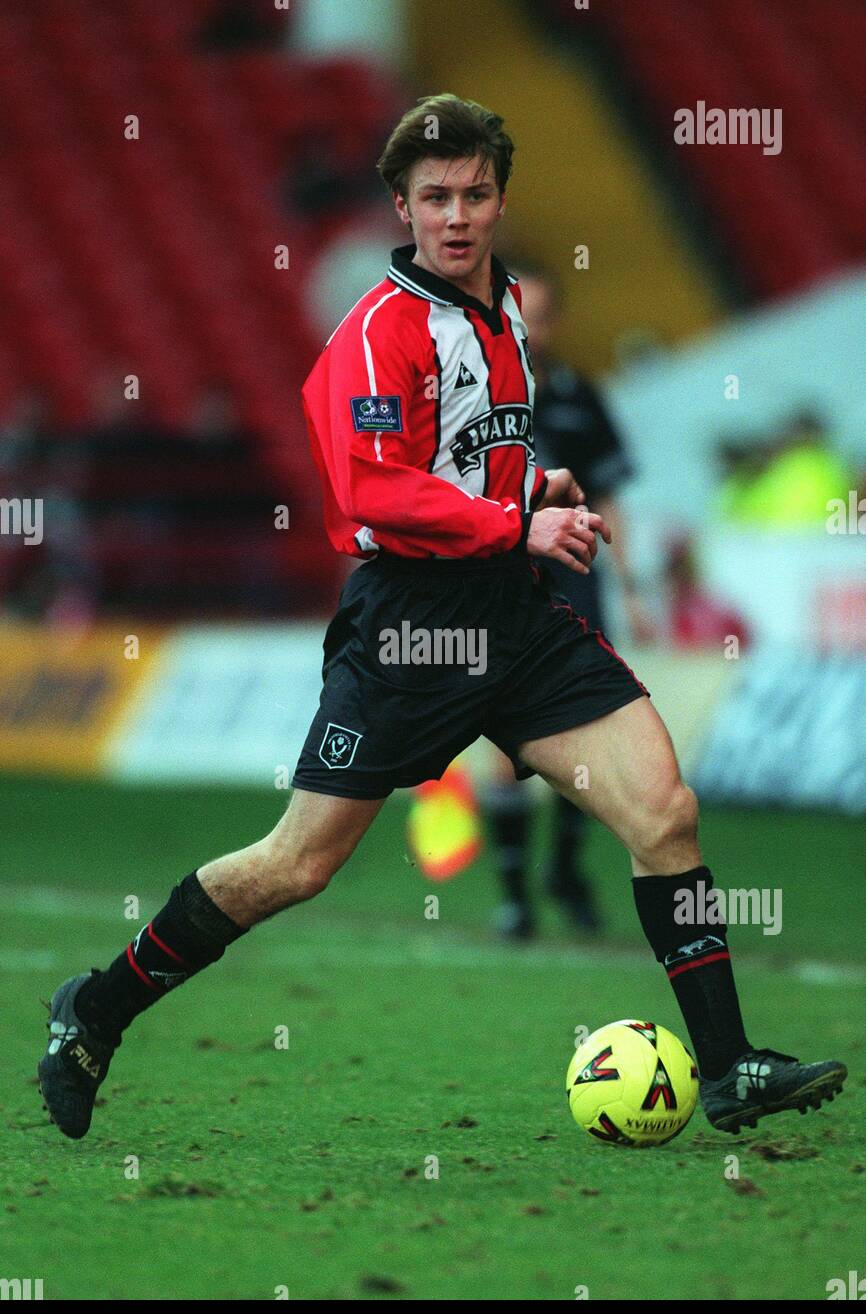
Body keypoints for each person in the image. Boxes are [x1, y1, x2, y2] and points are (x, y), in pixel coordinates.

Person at [39, 93, 846, 1142]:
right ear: (400, 205)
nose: (455, 215)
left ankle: (728, 1064)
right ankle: (97, 1008)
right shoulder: (378, 333)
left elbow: (468, 456)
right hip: (408, 632)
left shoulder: (503, 306)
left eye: (472, 194)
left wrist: (536, 488)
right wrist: (512, 522)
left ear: (498, 198)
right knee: (297, 864)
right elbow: (373, 490)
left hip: (513, 619)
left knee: (665, 814)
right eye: (433, 197)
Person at [481, 263, 652, 941]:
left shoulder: (581, 397)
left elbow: (609, 495)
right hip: (501, 589)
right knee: (506, 743)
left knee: (585, 737)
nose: (534, 327)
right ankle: (516, 895)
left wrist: (632, 585)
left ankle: (565, 871)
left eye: (544, 314)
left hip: (578, 584)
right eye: (523, 312)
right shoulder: (478, 396)